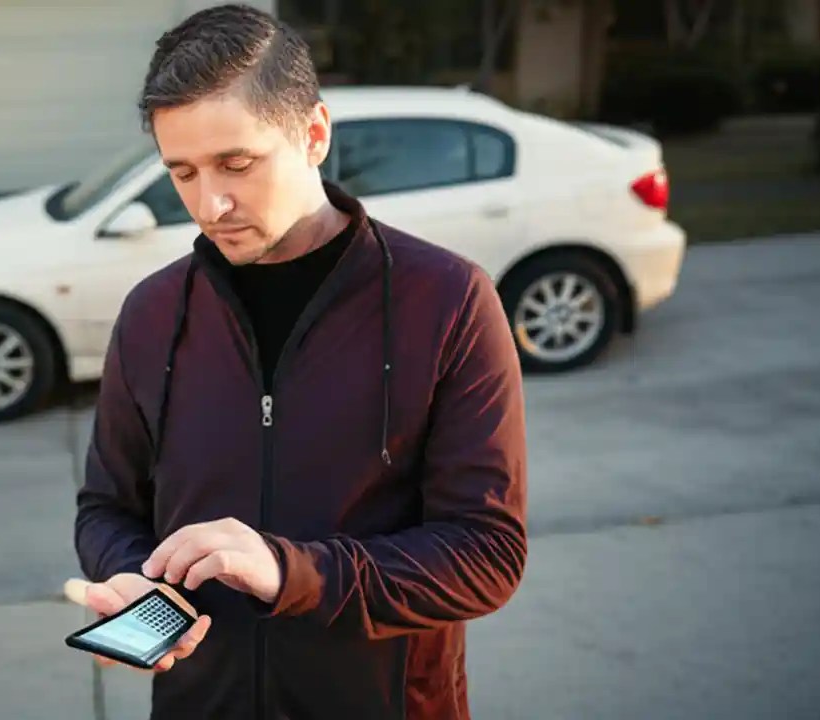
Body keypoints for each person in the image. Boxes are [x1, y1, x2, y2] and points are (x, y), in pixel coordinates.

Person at [71, 4, 527, 718]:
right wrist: (134, 580)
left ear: (313, 134)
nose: (210, 202)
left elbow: (485, 555)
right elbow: (106, 508)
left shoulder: (447, 301)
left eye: (237, 163)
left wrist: (293, 572)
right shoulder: (152, 315)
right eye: (182, 172)